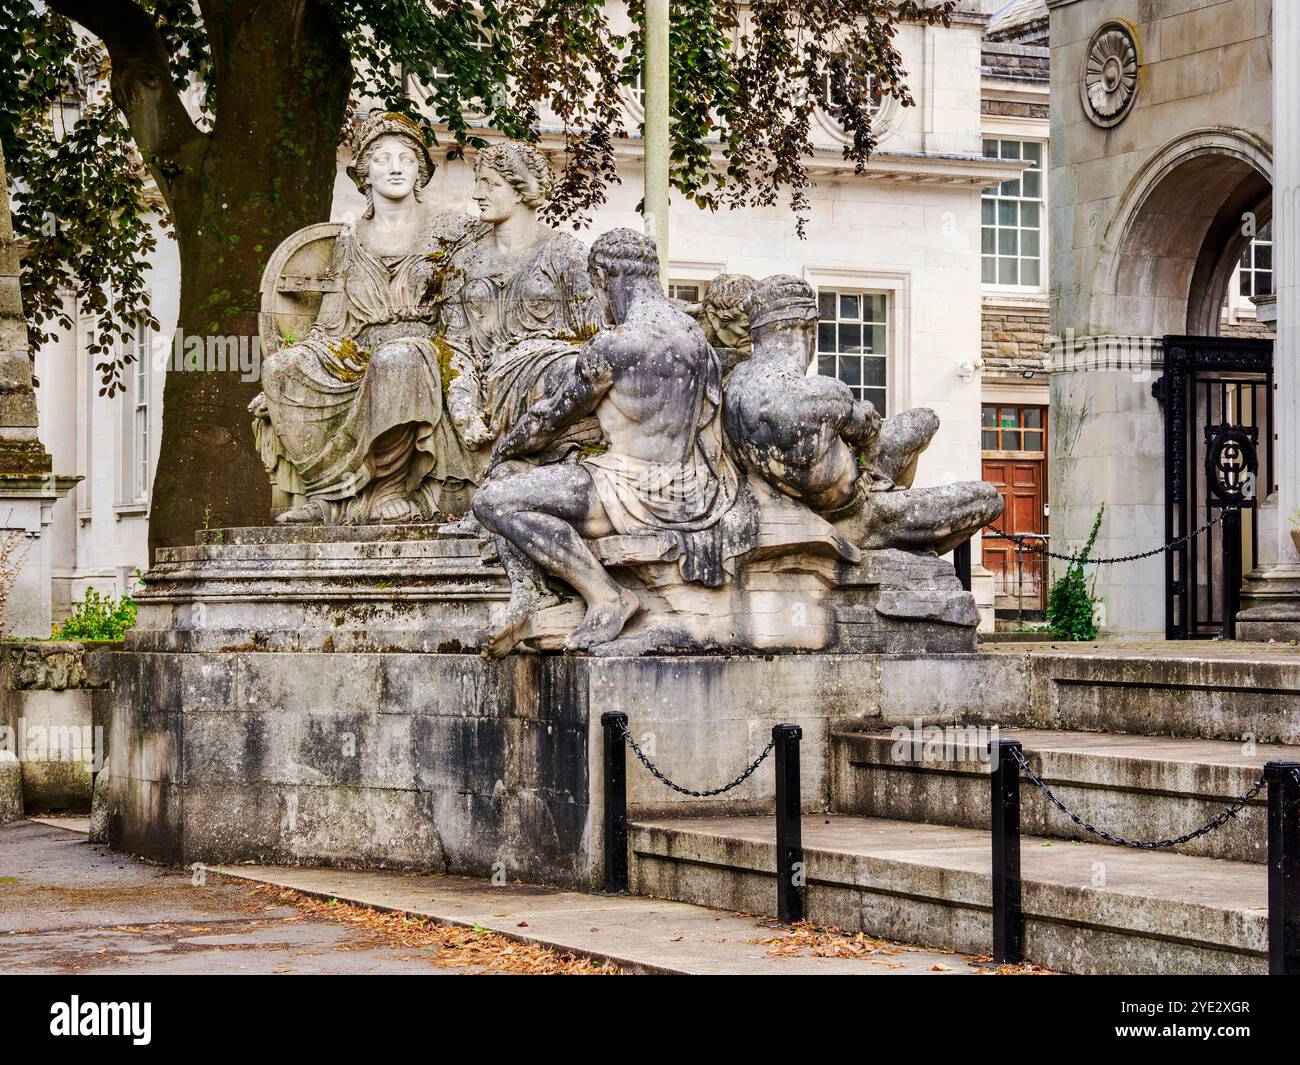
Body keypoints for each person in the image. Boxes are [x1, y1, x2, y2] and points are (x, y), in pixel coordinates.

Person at [472, 229, 737, 656]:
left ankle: (607, 597)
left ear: (602, 277)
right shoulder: (696, 339)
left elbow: (550, 419)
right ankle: (536, 597)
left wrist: (506, 449)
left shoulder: (616, 345)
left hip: (632, 489)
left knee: (494, 499)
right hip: (694, 486)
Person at [253, 112, 476, 523]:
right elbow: (332, 323)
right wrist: (300, 357)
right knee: (282, 367)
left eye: (406, 158)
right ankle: (328, 494)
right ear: (365, 174)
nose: (395, 168)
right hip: (359, 349)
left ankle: (392, 488)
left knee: (398, 360)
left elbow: (469, 308)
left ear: (420, 171)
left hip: (425, 349)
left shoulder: (450, 230)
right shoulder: (349, 239)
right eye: (381, 158)